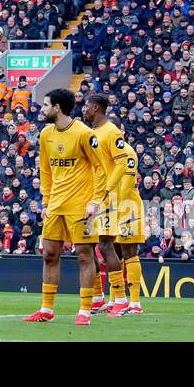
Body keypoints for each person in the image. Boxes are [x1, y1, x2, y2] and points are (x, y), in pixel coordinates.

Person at [23, 88, 108, 326]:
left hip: (81, 205)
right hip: (55, 205)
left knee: (84, 255)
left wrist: (95, 201)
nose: (42, 110)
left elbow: (101, 168)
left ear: (57, 107)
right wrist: (46, 201)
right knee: (49, 255)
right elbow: (46, 171)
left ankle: (85, 310)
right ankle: (46, 309)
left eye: (45, 105)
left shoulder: (83, 133)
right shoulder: (45, 134)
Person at [83, 93, 138, 316]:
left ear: (96, 108)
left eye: (87, 105)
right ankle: (99, 298)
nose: (84, 109)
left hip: (107, 198)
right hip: (91, 197)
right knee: (88, 247)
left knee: (106, 246)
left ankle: (121, 299)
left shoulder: (112, 132)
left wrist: (107, 190)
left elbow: (122, 162)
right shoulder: (91, 134)